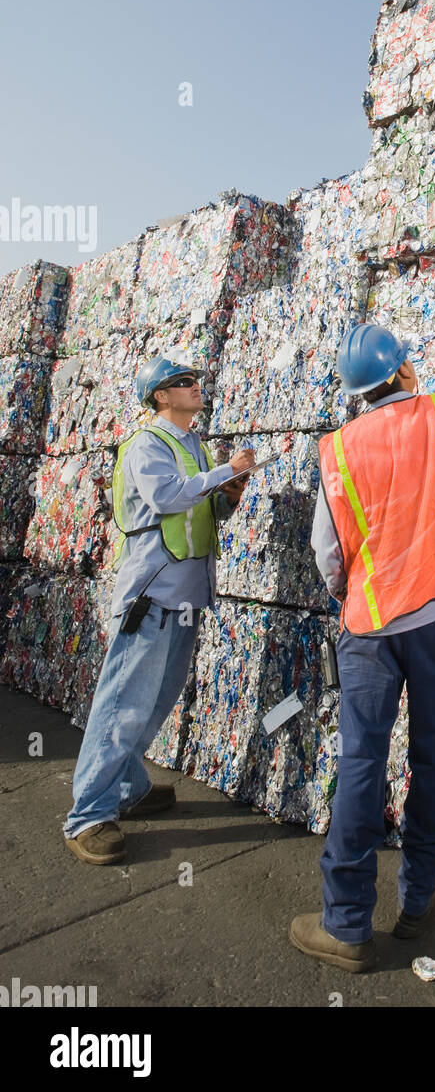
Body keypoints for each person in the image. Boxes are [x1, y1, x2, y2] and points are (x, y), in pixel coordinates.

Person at [289, 280, 435, 972]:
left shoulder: (337, 449)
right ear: (404, 371)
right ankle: (417, 902)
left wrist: (351, 595)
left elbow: (327, 553)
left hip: (369, 627)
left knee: (360, 763)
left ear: (357, 390)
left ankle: (347, 926)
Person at [63, 358, 257, 864]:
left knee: (155, 701)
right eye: (183, 383)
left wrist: (227, 496)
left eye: (194, 381)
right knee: (124, 703)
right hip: (150, 596)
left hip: (187, 596)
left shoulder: (193, 445)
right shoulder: (147, 443)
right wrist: (225, 471)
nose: (196, 387)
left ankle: (128, 786)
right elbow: (167, 498)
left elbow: (200, 511)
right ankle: (88, 816)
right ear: (159, 396)